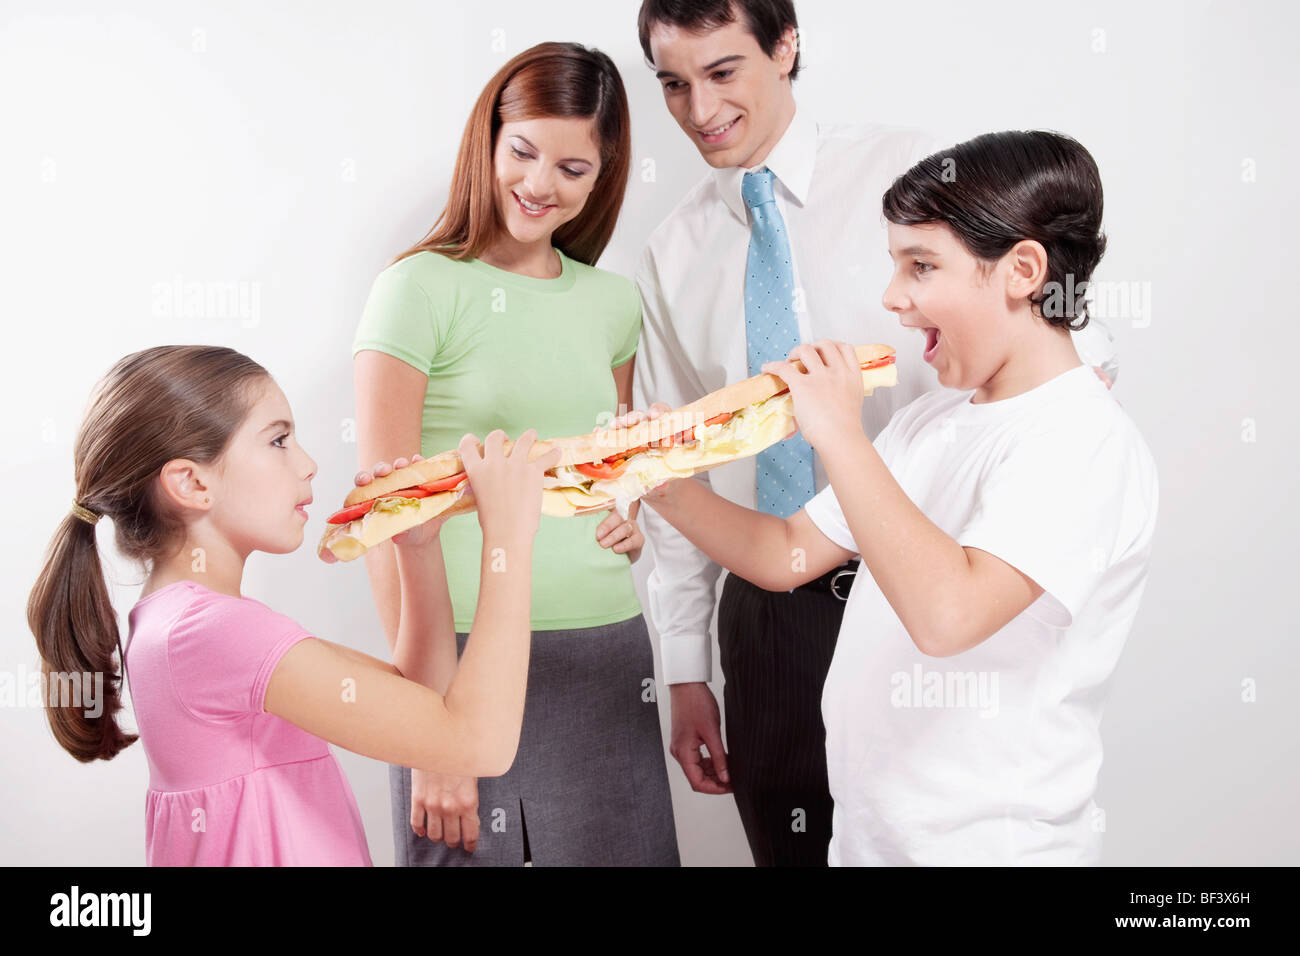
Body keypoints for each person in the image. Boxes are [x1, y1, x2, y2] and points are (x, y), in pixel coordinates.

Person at [630, 0, 1119, 865]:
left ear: (786, 48)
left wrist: (849, 436)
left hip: (948, 575)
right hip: (780, 597)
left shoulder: (920, 180)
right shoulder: (669, 255)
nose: (700, 112)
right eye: (674, 83)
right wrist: (647, 484)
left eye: (723, 72)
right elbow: (749, 521)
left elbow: (1059, 350)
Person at [26, 344, 559, 866]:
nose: (308, 464)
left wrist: (416, 550)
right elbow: (477, 744)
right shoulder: (212, 632)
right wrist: (508, 536)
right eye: (278, 440)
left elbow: (422, 705)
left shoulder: (183, 623)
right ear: (192, 482)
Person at [351, 41, 679, 866]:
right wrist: (429, 728)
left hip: (606, 653)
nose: (539, 186)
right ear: (488, 141)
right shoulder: (417, 288)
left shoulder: (612, 303)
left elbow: (606, 467)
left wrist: (626, 518)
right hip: (461, 657)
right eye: (523, 152)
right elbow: (381, 521)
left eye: (573, 168)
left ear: (603, 177)